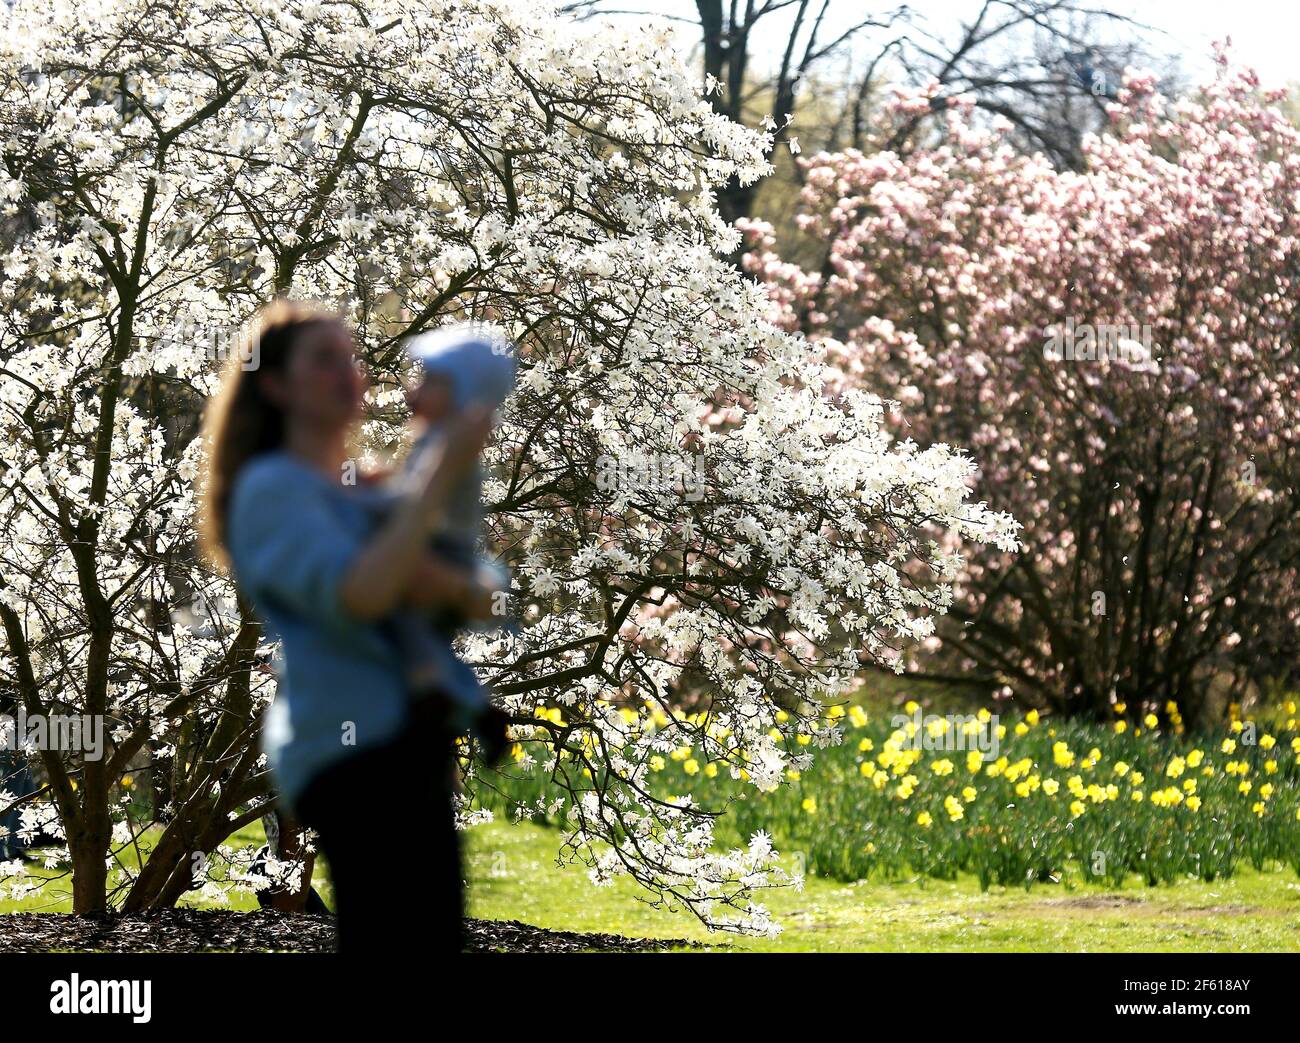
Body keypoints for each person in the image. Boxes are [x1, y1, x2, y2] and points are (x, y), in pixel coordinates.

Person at [199, 299, 499, 954]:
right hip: (350, 753)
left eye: (352, 357)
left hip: (405, 743)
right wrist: (437, 476)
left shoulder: (359, 490)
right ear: (275, 385)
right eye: (324, 359)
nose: (348, 372)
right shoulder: (270, 489)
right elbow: (363, 591)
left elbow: (476, 588)